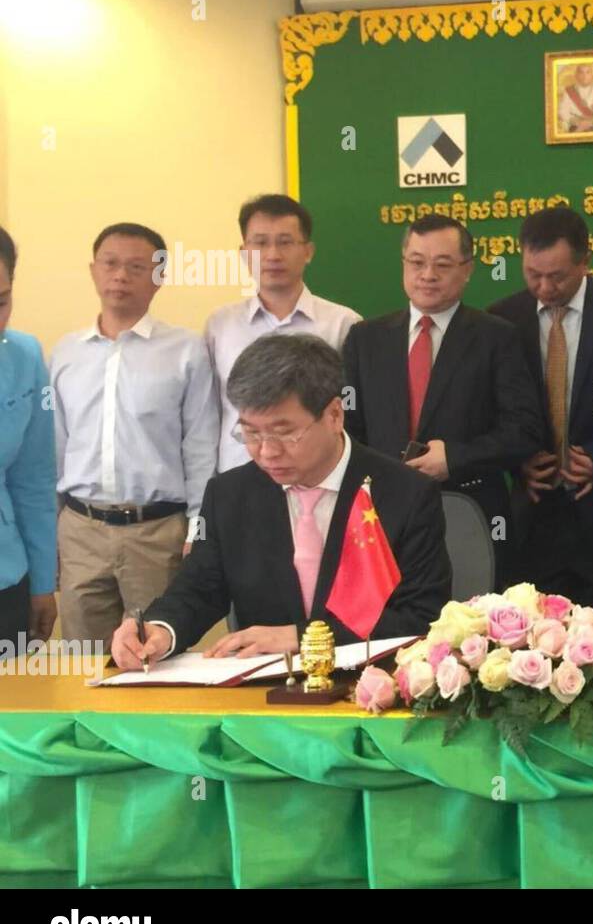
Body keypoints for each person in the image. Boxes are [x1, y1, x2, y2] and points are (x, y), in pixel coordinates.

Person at [110, 333, 451, 666]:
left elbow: (422, 618)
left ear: (334, 415)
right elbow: (198, 590)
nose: (267, 452)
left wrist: (304, 637)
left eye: (285, 432)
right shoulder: (230, 495)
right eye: (251, 433)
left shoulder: (405, 493)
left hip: (371, 687)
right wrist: (160, 630)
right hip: (265, 695)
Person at [342, 212, 542, 582]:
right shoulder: (365, 339)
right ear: (404, 264)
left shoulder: (497, 338)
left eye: (442, 264)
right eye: (416, 262)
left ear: (467, 269)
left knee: (469, 630)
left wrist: (456, 457)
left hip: (471, 512)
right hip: (381, 515)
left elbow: (524, 429)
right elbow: (346, 431)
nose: (427, 274)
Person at [49, 223, 219, 644]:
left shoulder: (185, 350)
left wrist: (197, 532)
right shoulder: (64, 353)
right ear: (93, 271)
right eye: (110, 264)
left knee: (155, 657)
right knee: (82, 664)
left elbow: (200, 448)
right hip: (80, 530)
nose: (120, 276)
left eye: (136, 267)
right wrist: (49, 533)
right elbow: (55, 448)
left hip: (157, 533)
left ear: (158, 277)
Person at [488, 206, 593, 608]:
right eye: (533, 274)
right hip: (531, 512)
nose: (544, 287)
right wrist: (518, 462)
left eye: (557, 276)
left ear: (585, 262)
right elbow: (493, 410)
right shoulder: (502, 319)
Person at [205, 194, 360, 472]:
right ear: (243, 253)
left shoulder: (343, 324)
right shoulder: (220, 325)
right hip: (238, 480)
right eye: (260, 243)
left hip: (319, 480)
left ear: (309, 251)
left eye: (285, 242)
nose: (273, 255)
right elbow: (208, 415)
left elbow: (354, 414)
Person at [0, 226, 57, 648]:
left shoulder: (23, 356)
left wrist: (42, 580)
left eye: (2, 302)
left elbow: (33, 479)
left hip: (7, 577)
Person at [557, 64, 593, 133]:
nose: (584, 76)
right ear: (576, 75)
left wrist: (591, 122)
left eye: (588, 72)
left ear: (592, 75)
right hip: (576, 126)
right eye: (581, 73)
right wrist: (577, 122)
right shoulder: (569, 91)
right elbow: (563, 110)